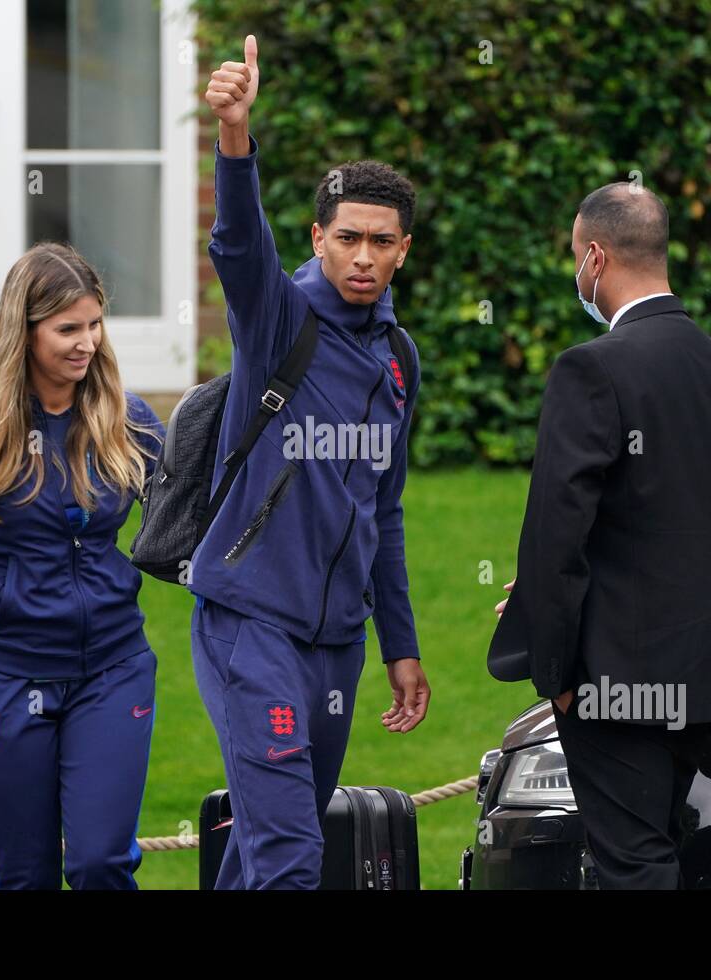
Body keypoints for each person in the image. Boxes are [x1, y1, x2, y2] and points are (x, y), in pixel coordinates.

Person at [192, 34, 431, 889]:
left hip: (337, 647)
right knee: (293, 860)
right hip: (251, 626)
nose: (363, 257)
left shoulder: (400, 360)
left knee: (266, 849)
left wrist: (398, 643)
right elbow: (236, 245)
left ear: (404, 249)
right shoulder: (277, 319)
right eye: (347, 239)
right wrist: (234, 132)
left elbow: (386, 512)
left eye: (382, 241)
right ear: (319, 238)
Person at [489, 182, 711, 889]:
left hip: (615, 674)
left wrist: (558, 673)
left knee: (630, 865)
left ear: (597, 258)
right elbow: (682, 521)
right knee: (659, 847)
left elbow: (557, 529)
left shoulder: (592, 368)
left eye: (576, 258)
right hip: (701, 666)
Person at [0, 242, 165, 889]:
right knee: (23, 878)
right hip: (2, 679)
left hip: (113, 671)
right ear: (26, 332)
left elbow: (194, 536)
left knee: (100, 863)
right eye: (68, 329)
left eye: (95, 325)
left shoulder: (131, 423)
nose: (87, 343)